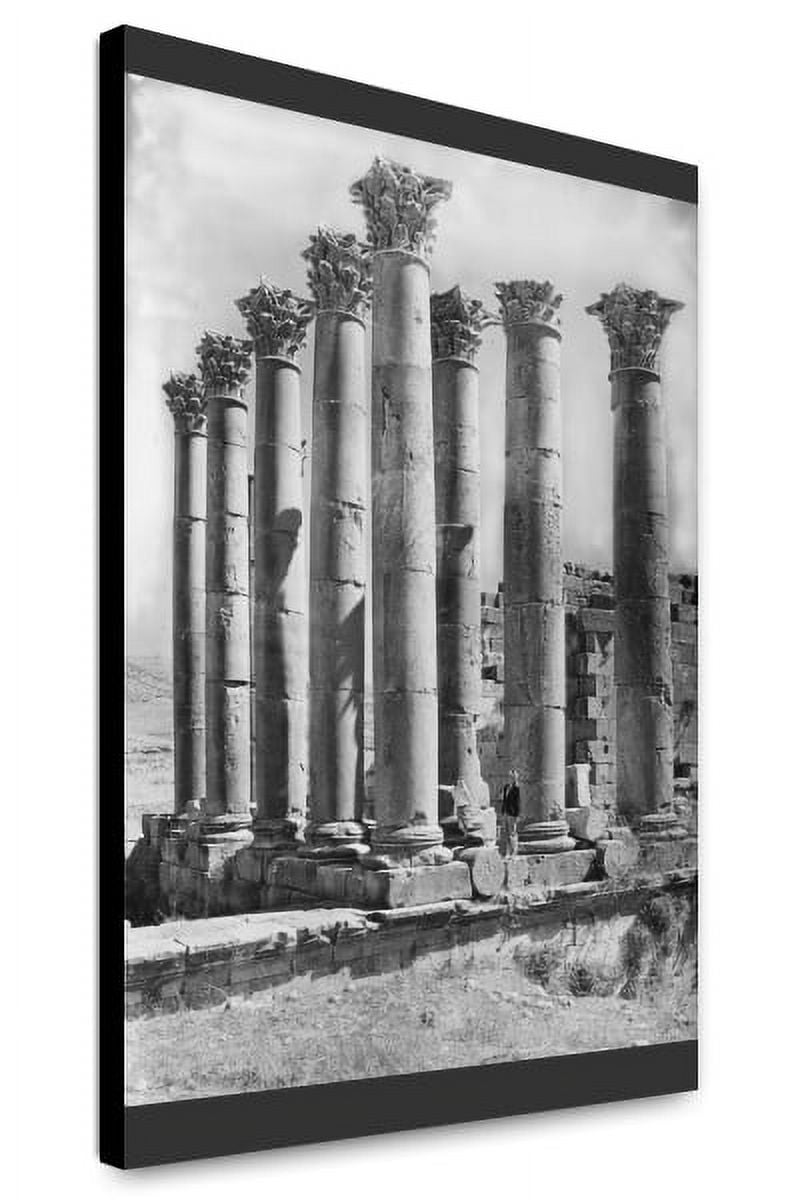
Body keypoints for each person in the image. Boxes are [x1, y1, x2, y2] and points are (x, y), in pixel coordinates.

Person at [500, 767, 520, 857]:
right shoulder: (506, 787)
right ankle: (507, 852)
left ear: (515, 777)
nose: (510, 778)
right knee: (506, 833)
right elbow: (504, 800)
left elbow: (517, 802)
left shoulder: (516, 788)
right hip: (506, 812)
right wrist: (502, 811)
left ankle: (513, 852)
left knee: (512, 833)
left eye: (512, 776)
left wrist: (517, 815)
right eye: (509, 776)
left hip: (512, 813)